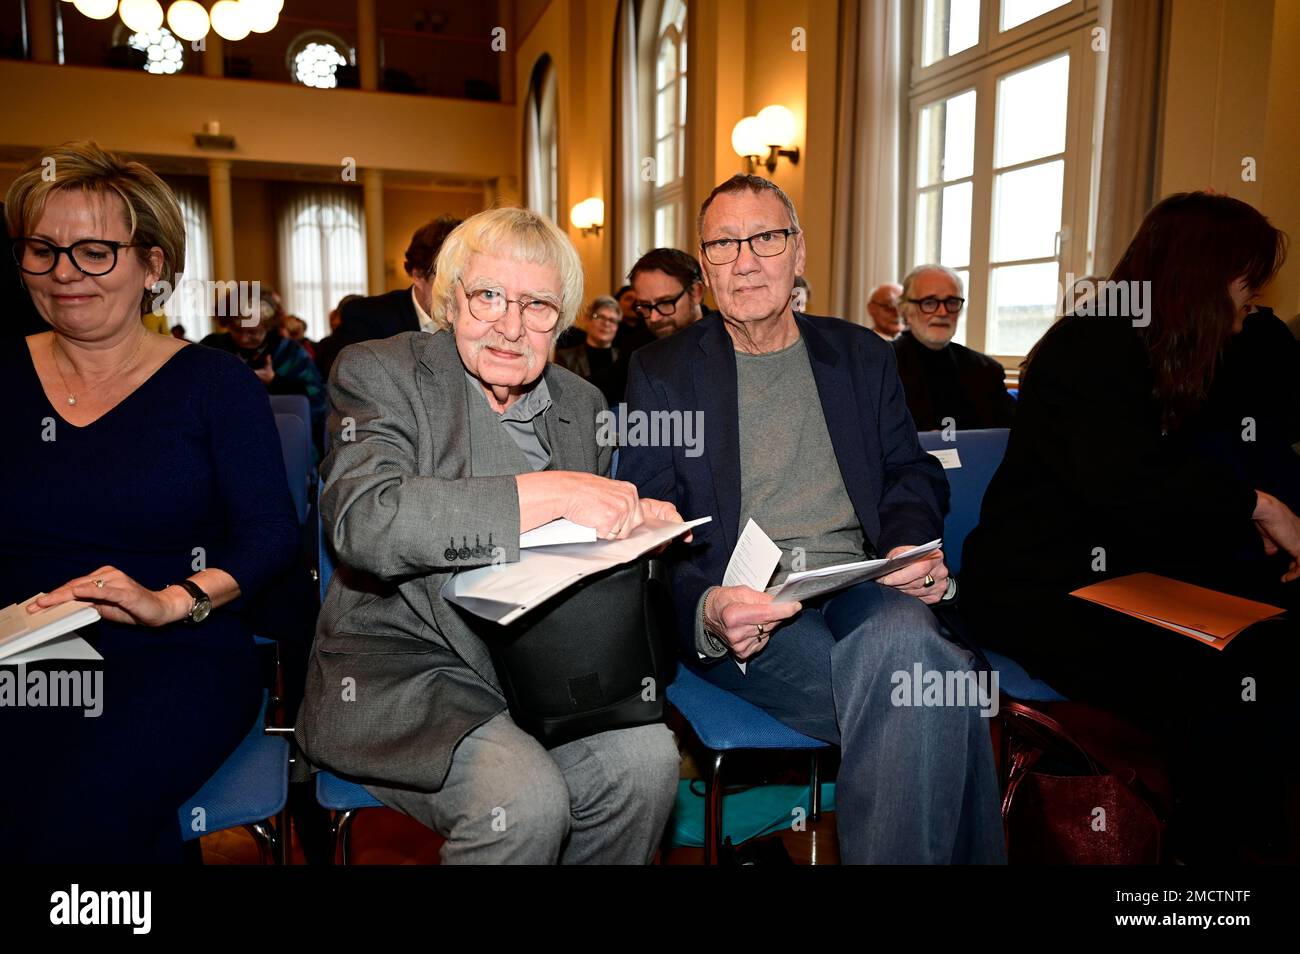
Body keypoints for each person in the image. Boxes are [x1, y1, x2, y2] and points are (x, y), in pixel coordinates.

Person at [618, 173, 1005, 864]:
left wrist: (911, 543)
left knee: (904, 650)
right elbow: (649, 527)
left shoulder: (858, 356)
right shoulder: (661, 372)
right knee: (926, 688)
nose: (746, 259)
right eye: (724, 243)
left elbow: (908, 471)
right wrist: (707, 606)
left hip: (861, 581)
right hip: (751, 604)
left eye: (765, 237)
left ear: (798, 252)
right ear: (704, 267)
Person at [295, 207, 685, 864]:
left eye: (536, 306)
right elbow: (366, 521)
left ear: (560, 321)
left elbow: (569, 562)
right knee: (523, 803)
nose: (510, 326)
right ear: (451, 301)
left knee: (647, 767)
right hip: (405, 669)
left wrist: (632, 536)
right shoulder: (382, 372)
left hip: (541, 666)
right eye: (488, 297)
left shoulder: (580, 403)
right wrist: (554, 492)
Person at [961, 191, 1299, 861]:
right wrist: (1257, 505)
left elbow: (1180, 488)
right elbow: (1131, 488)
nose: (1246, 309)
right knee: (1237, 676)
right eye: (1243, 288)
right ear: (1203, 279)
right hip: (1039, 588)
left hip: (1127, 577)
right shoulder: (1092, 346)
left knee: (1273, 637)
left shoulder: (1174, 352)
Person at [0, 141, 298, 862]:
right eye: (43, 249)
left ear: (153, 265)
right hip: (15, 646)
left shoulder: (215, 385)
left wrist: (177, 599)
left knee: (87, 810)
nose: (64, 272)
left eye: (95, 251)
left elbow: (269, 533)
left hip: (173, 647)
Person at [316, 216, 461, 378]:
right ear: (418, 276)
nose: (459, 291)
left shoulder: (478, 318)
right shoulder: (366, 317)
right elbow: (346, 379)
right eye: (449, 280)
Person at [893, 265, 1015, 432]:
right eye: (929, 302)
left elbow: (1008, 436)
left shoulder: (986, 371)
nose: (942, 312)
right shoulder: (879, 365)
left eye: (951, 302)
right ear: (905, 311)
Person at [201, 308, 327, 453]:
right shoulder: (212, 347)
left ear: (268, 326)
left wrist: (274, 381)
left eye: (253, 332)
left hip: (282, 439)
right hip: (219, 436)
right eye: (236, 330)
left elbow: (317, 398)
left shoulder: (288, 351)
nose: (243, 338)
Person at [554, 295, 628, 405]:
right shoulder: (565, 357)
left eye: (612, 320)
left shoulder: (623, 359)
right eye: (600, 317)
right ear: (587, 320)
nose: (606, 324)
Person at [629, 247, 710, 339]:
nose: (654, 318)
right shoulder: (635, 348)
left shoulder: (726, 338)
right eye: (645, 305)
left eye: (665, 303)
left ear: (696, 292)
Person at [613, 282, 654, 352]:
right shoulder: (611, 330)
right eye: (628, 299)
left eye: (638, 300)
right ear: (617, 303)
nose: (634, 303)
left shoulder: (650, 330)